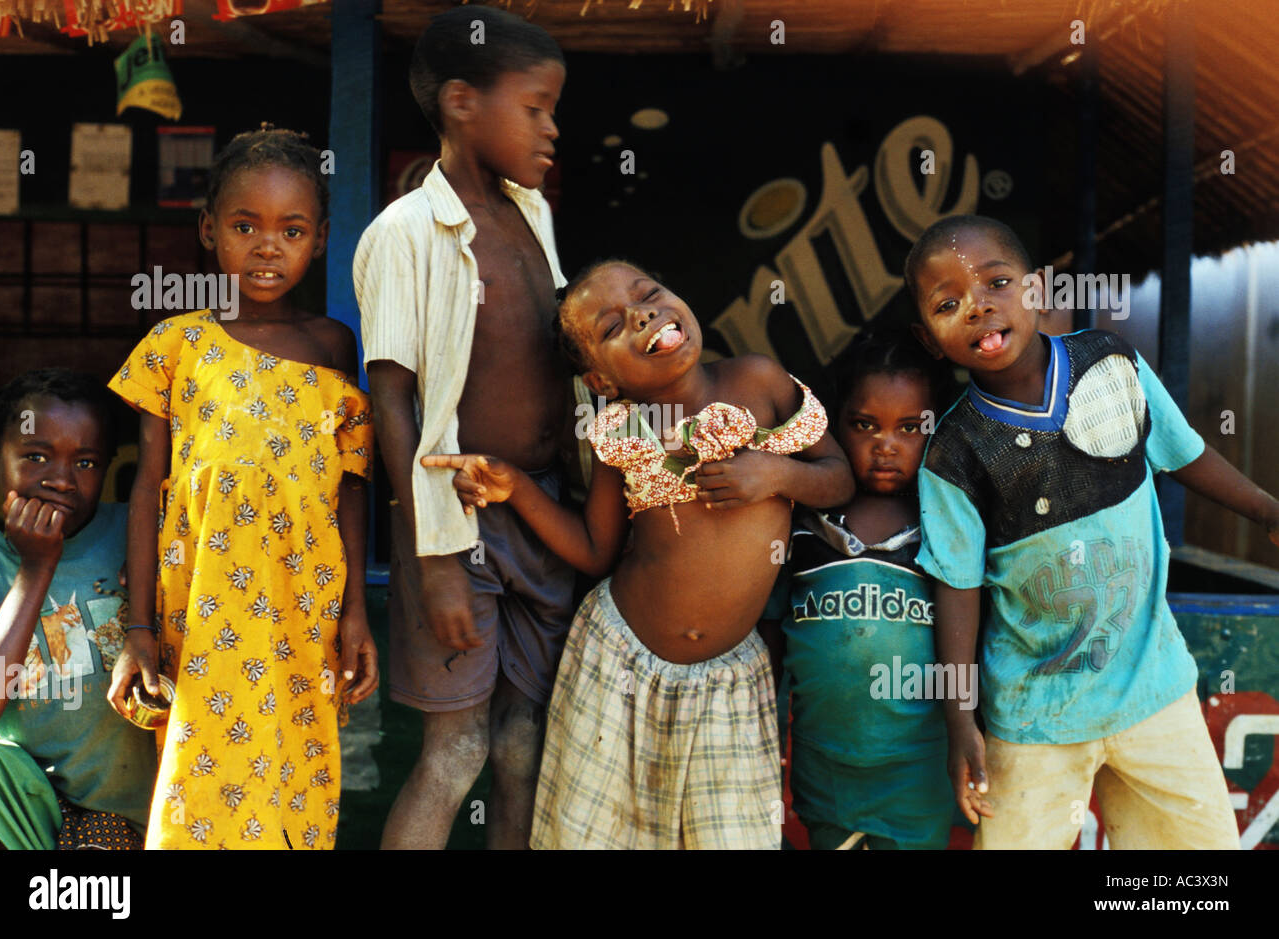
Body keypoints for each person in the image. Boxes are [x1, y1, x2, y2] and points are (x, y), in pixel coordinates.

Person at [425, 260, 854, 849]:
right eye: (612, 327)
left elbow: (837, 478)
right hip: (617, 663)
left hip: (729, 681)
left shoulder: (758, 382)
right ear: (602, 382)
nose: (643, 314)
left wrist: (777, 474)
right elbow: (596, 552)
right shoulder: (620, 432)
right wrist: (517, 489)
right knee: (600, 833)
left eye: (650, 294)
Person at [906, 213, 1279, 849]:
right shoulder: (955, 452)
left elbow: (1183, 452)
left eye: (998, 282)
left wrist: (1267, 510)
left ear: (1039, 289)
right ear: (929, 338)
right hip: (1032, 715)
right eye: (949, 303)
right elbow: (957, 587)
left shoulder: (1112, 364)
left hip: (1151, 689)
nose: (979, 308)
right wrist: (959, 719)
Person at [107, 126, 378, 850]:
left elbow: (351, 485)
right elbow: (146, 490)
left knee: (296, 770)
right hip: (200, 600)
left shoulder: (333, 346)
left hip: (303, 599)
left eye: (290, 229)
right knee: (198, 774)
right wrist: (136, 629)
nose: (267, 246)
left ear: (319, 239)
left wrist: (355, 612)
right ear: (209, 230)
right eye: (245, 225)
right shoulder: (176, 345)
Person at [354, 5, 574, 850]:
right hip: (455, 525)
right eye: (535, 106)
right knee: (458, 751)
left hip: (542, 512)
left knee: (524, 744)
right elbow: (393, 405)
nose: (552, 129)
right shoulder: (403, 234)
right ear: (460, 102)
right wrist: (435, 558)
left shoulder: (533, 214)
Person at [762, 327, 957, 850]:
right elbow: (771, 643)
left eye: (910, 428)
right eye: (865, 425)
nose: (886, 445)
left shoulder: (946, 528)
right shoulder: (802, 528)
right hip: (824, 769)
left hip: (918, 771)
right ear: (832, 425)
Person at [0, 369, 156, 849]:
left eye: (85, 462)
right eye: (36, 457)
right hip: (33, 812)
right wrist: (36, 569)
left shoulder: (139, 535)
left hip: (145, 812)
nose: (60, 480)